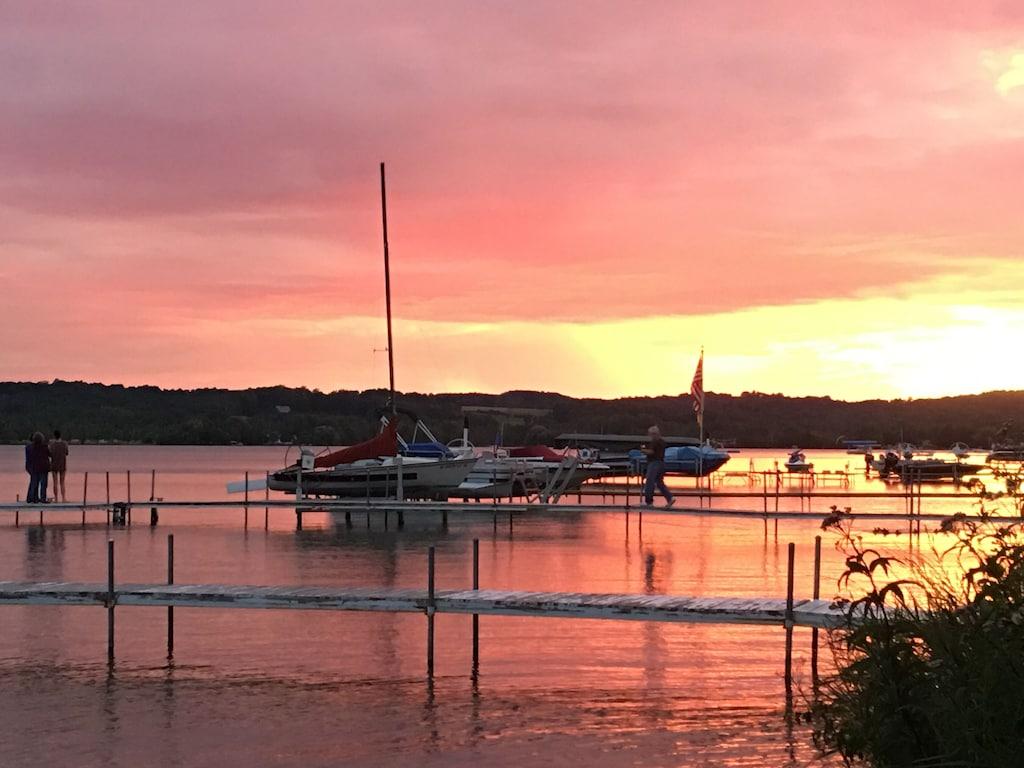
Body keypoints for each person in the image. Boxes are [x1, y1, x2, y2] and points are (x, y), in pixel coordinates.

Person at [641, 425, 674, 507]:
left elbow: (651, 452)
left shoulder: (654, 442)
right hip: (662, 463)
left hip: (654, 463)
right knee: (659, 482)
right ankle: (670, 498)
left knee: (650, 481)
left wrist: (643, 450)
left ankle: (649, 502)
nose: (650, 436)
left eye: (650, 434)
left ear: (654, 434)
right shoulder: (662, 442)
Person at [25, 432, 51, 503]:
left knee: (34, 483)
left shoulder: (30, 447)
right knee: (43, 485)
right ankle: (43, 499)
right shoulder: (44, 446)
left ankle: (33, 498)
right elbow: (50, 454)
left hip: (34, 467)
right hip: (44, 468)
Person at [49, 429, 69, 502]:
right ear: (60, 435)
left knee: (55, 482)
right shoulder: (64, 443)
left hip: (54, 465)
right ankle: (63, 498)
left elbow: (50, 454)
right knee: (62, 482)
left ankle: (56, 498)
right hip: (62, 464)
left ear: (54, 436)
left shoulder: (52, 444)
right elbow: (67, 453)